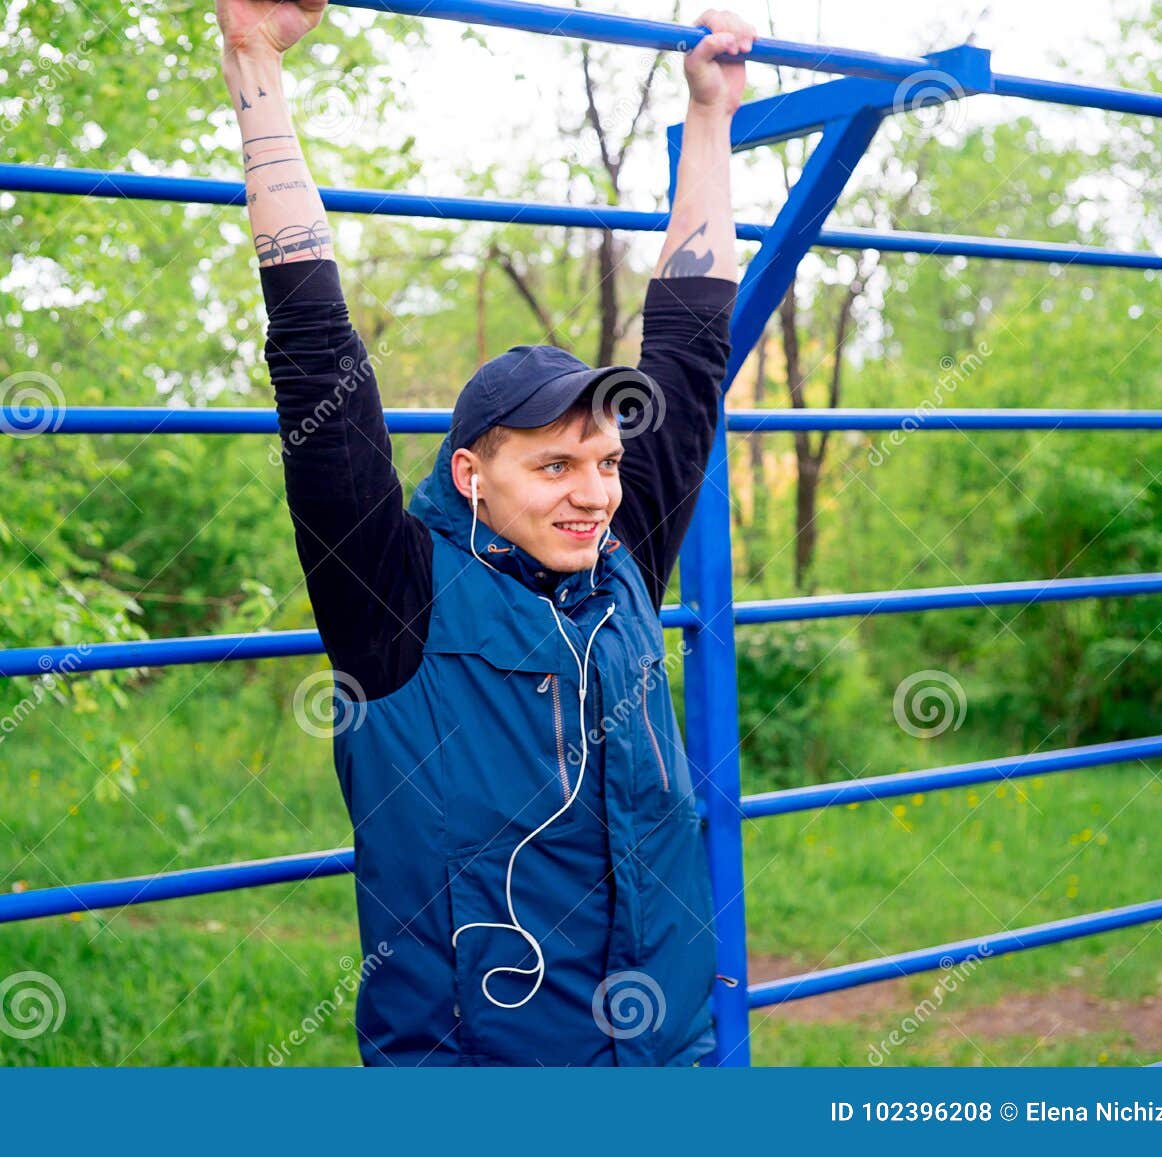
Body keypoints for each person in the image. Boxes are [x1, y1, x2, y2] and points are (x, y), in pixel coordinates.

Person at [216, 0, 750, 1066]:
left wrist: (711, 114)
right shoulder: (393, 599)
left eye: (603, 462)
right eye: (553, 464)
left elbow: (689, 350)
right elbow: (316, 348)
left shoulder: (621, 568)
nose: (594, 493)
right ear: (471, 475)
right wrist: (253, 63)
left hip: (670, 1064)